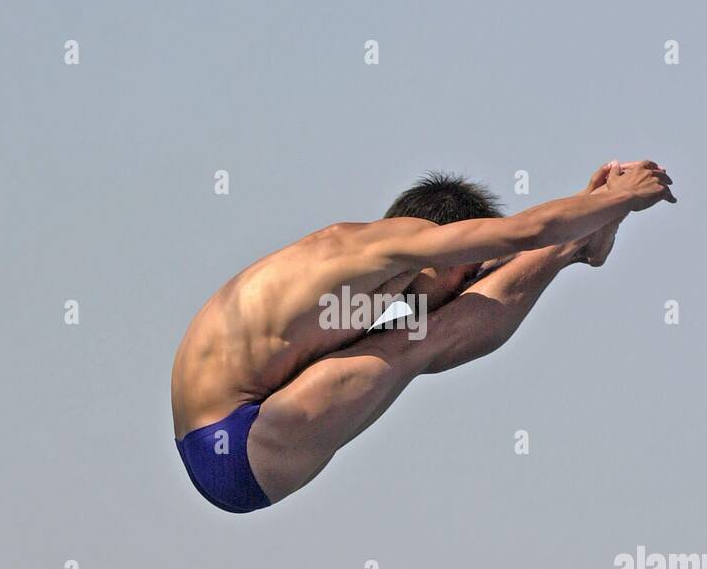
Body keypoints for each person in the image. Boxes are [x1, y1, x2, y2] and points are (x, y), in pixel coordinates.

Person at [171, 159, 675, 513]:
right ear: (442, 244)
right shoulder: (382, 249)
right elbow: (524, 233)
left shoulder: (368, 266)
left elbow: (492, 259)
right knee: (422, 338)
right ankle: (576, 243)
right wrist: (621, 197)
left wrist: (593, 204)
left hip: (225, 434)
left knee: (416, 326)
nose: (472, 280)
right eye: (469, 269)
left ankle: (577, 241)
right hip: (238, 450)